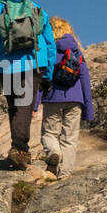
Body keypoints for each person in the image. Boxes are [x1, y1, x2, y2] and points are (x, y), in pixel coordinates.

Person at [0, 0, 55, 170]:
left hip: (7, 66)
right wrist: (48, 73)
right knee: (24, 107)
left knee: (15, 107)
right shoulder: (36, 8)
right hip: (33, 65)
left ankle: (19, 149)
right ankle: (20, 149)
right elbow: (49, 43)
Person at [36, 17, 94, 179]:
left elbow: (43, 78)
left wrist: (34, 105)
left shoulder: (49, 50)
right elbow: (85, 79)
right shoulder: (76, 51)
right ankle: (65, 174)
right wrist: (88, 109)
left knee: (49, 134)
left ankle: (54, 152)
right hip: (75, 100)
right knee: (70, 138)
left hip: (53, 98)